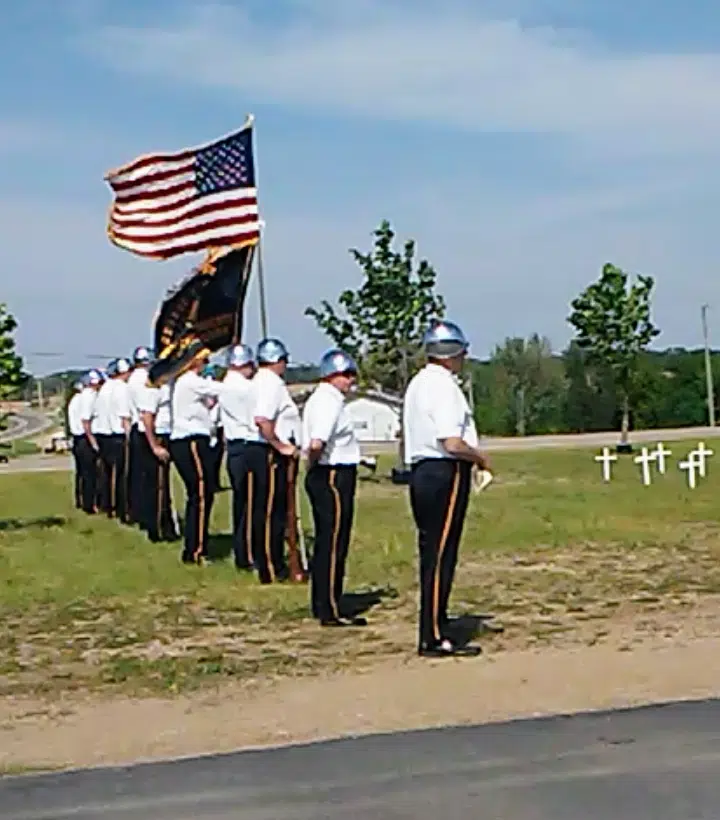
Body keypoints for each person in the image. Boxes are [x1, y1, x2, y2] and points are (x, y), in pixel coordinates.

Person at [403, 320, 491, 658]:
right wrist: (480, 458)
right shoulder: (444, 388)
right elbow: (451, 441)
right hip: (444, 470)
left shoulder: (419, 384)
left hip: (423, 471)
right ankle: (434, 635)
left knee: (432, 550)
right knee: (441, 553)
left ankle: (436, 620)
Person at [302, 349, 364, 627]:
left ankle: (325, 601)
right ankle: (330, 607)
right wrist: (313, 465)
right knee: (333, 541)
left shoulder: (323, 399)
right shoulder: (329, 401)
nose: (351, 380)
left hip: (330, 472)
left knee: (331, 540)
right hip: (333, 474)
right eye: (346, 375)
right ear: (332, 376)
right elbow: (317, 442)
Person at [245, 338, 297, 584]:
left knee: (271, 509)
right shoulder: (271, 384)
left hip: (264, 449)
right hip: (268, 451)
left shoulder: (259, 381)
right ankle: (269, 565)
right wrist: (281, 446)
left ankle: (271, 560)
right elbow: (263, 419)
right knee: (269, 511)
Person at [169, 357, 220, 565]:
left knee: (203, 494)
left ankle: (198, 544)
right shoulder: (189, 380)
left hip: (195, 439)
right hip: (189, 440)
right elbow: (220, 389)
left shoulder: (188, 382)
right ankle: (195, 550)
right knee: (199, 494)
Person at [217, 344, 257, 570]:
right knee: (251, 504)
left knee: (241, 503)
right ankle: (248, 554)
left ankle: (243, 550)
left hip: (233, 447)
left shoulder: (225, 385)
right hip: (246, 444)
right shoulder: (245, 388)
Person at [138, 373, 179, 543]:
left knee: (163, 485)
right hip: (157, 436)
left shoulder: (169, 382)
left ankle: (165, 524)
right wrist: (154, 445)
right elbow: (147, 417)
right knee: (158, 486)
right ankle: (158, 528)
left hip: (167, 433)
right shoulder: (153, 386)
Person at [93, 358, 132, 520]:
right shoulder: (122, 388)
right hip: (117, 434)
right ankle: (121, 508)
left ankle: (106, 505)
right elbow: (124, 415)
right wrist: (129, 436)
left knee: (106, 472)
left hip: (102, 433)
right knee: (122, 474)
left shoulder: (104, 388)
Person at [127, 346, 153, 527]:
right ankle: (148, 515)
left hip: (137, 426)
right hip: (144, 427)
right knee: (149, 478)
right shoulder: (144, 379)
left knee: (137, 475)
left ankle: (138, 512)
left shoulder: (131, 379)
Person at [66, 379, 86, 509]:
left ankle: (80, 499)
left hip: (76, 438)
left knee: (80, 471)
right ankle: (86, 499)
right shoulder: (81, 400)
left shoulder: (72, 401)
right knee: (87, 472)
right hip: (82, 436)